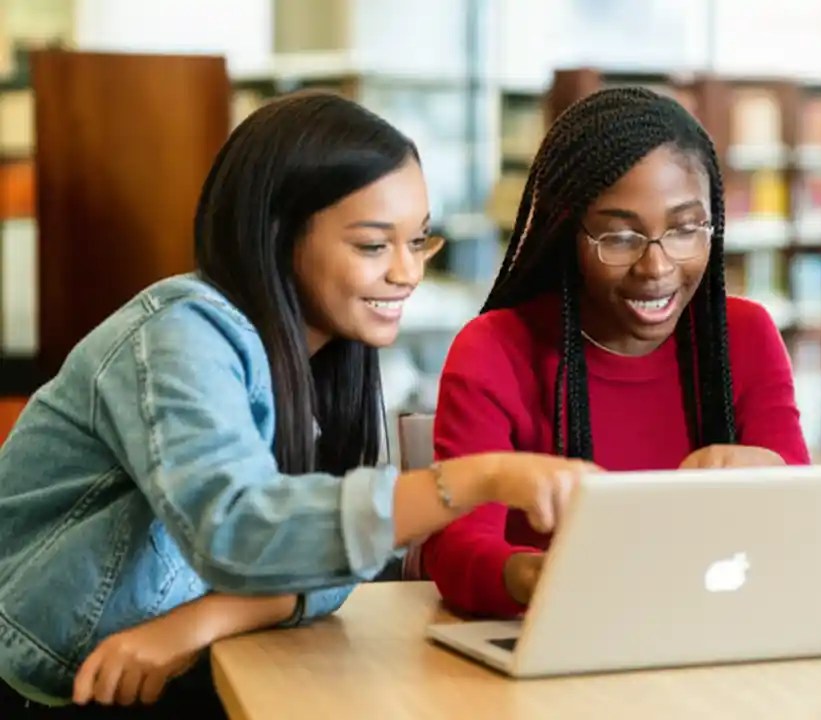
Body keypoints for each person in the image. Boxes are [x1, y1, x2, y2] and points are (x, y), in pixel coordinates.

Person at [0, 92, 593, 716]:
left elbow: (328, 561)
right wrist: (478, 478)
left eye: (419, 241)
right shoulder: (182, 334)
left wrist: (205, 619)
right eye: (373, 245)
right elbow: (239, 529)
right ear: (279, 236)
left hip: (156, 673)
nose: (408, 272)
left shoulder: (328, 353)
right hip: (44, 687)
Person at [411, 87, 810, 617]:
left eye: (686, 230)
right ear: (566, 234)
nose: (657, 267)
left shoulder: (746, 335)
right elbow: (454, 551)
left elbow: (808, 525)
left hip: (716, 634)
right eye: (620, 238)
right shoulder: (494, 349)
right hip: (555, 646)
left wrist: (772, 472)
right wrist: (544, 577)